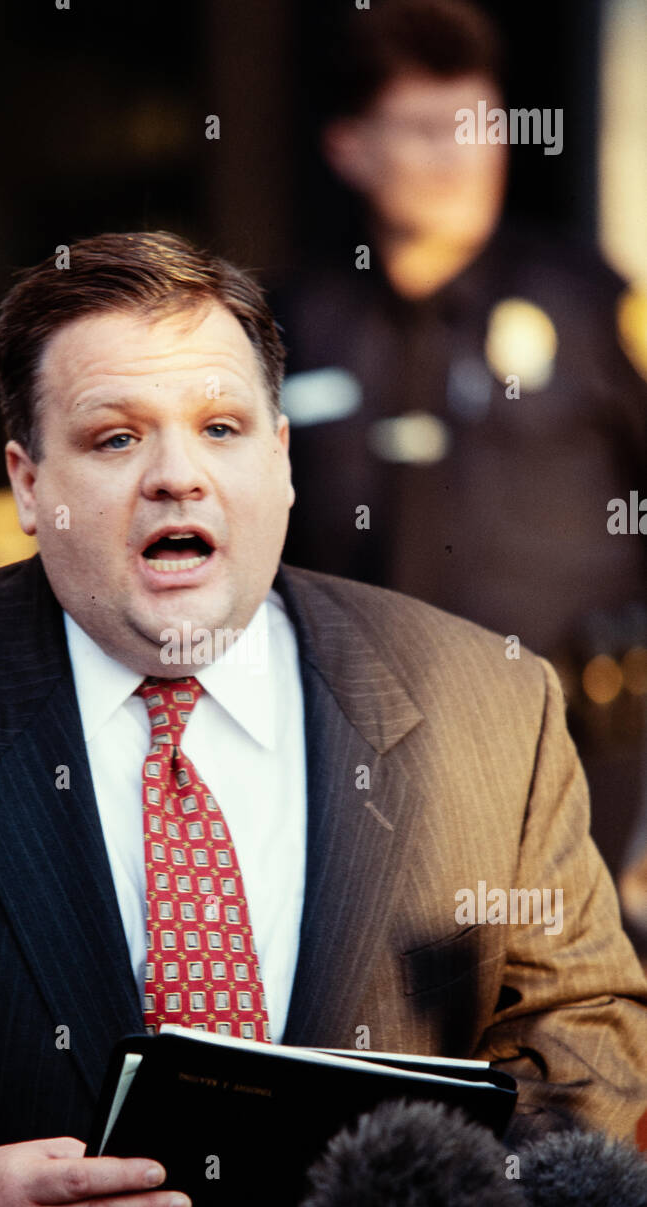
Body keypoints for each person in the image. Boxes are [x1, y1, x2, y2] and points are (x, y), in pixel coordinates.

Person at [0, 231, 645, 1207]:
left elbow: (582, 1032)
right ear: (26, 481)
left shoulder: (491, 704)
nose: (176, 475)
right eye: (112, 439)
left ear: (280, 458)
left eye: (220, 427)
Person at [275, 0, 647, 881]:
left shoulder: (595, 303)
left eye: (480, 124)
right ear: (349, 147)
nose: (461, 154)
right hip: (363, 778)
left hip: (584, 771)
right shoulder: (296, 326)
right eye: (425, 127)